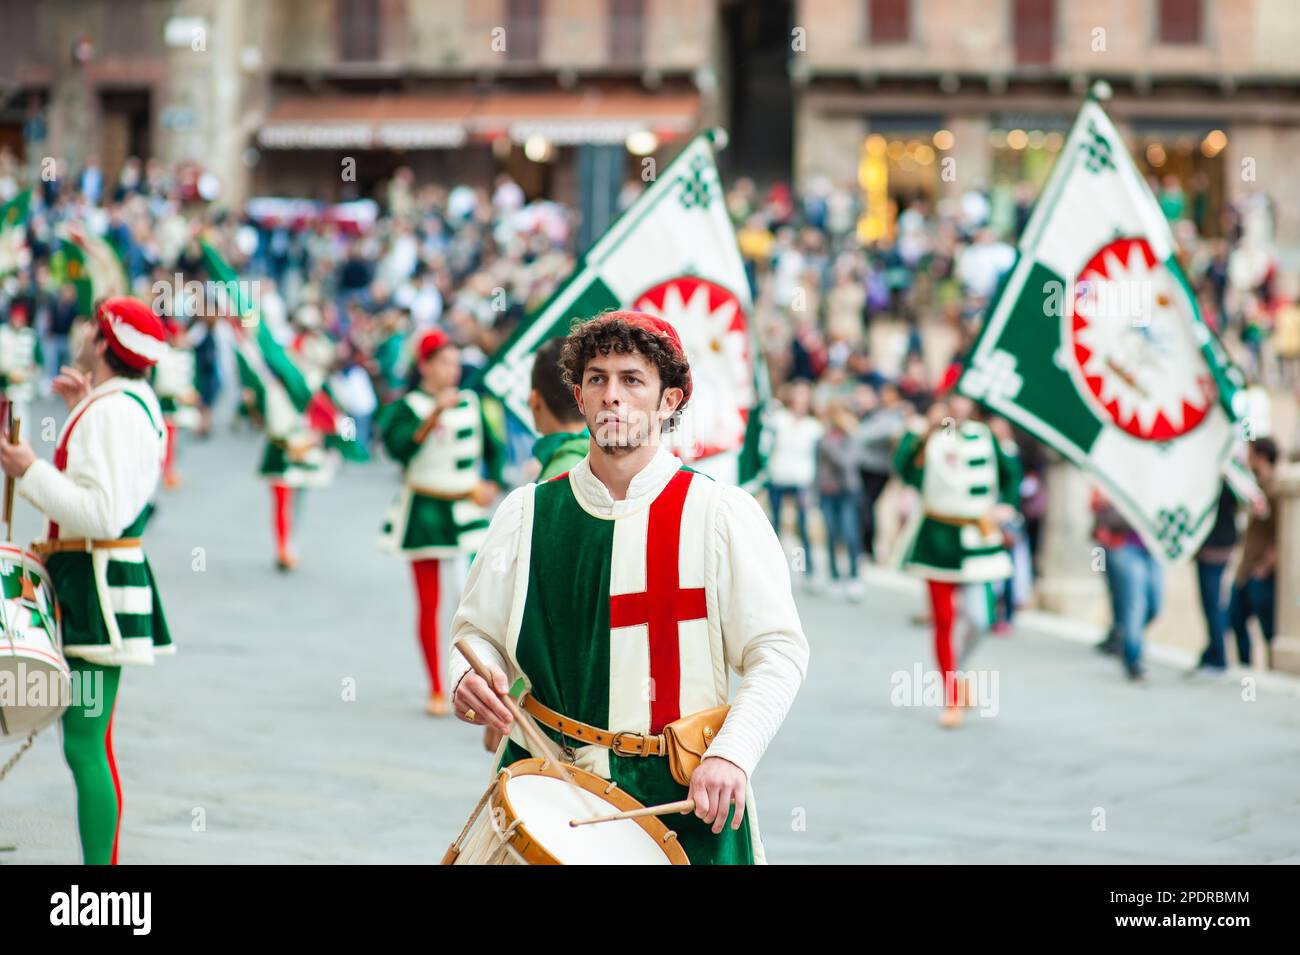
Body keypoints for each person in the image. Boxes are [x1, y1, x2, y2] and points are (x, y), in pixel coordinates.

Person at [449, 311, 809, 864]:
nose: (612, 396)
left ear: (670, 401)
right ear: (579, 394)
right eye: (597, 379)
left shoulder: (720, 513)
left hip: (680, 797)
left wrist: (733, 755)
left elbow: (778, 652)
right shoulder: (525, 513)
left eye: (632, 379)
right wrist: (468, 678)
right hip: (546, 783)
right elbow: (475, 633)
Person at [0, 297, 173, 865]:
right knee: (85, 741)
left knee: (84, 742)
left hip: (96, 595)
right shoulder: (126, 402)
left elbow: (102, 514)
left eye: (92, 328)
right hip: (94, 587)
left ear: (103, 343)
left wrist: (29, 470)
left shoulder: (113, 411)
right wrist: (85, 408)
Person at [377, 328, 504, 716]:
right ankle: (435, 685)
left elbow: (494, 446)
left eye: (455, 362)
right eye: (443, 363)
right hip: (424, 513)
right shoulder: (406, 407)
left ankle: (481, 682)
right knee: (429, 604)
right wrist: (434, 414)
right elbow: (398, 448)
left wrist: (493, 481)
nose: (452, 370)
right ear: (425, 366)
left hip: (466, 511)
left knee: (477, 600)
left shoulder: (475, 401)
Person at [892, 395, 1018, 727]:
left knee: (981, 618)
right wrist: (916, 432)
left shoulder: (985, 435)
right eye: (953, 403)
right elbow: (905, 470)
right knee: (945, 620)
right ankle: (950, 695)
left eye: (964, 403)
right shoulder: (929, 437)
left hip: (978, 538)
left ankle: (958, 674)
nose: (959, 409)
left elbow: (1010, 474)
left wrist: (1007, 504)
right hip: (938, 538)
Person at [1090, 489, 1162, 682]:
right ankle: (1133, 658)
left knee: (1154, 605)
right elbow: (1096, 502)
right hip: (1122, 543)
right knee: (1134, 602)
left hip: (1155, 546)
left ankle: (1125, 636)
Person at [764, 379, 823, 585]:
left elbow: (817, 458)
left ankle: (805, 570)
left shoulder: (813, 427)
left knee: (802, 526)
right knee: (775, 524)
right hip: (778, 476)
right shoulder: (779, 419)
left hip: (801, 480)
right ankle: (772, 570)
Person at [1228, 439, 1279, 669]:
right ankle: (1245, 666)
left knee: (1269, 628)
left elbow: (1284, 536)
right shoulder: (1254, 487)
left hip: (1261, 573)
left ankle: (1271, 668)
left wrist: (1265, 567)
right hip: (1246, 570)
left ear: (1260, 457)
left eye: (1251, 455)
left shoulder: (1277, 489)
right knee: (1235, 619)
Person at [1188, 482, 1240, 679]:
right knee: (1214, 602)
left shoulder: (1215, 478)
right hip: (1221, 545)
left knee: (1212, 604)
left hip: (1213, 547)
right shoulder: (1229, 477)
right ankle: (1213, 652)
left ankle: (1218, 657)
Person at [0, 301, 43, 429]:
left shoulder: (30, 336)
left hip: (22, 387)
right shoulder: (3, 334)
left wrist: (26, 374)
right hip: (3, 385)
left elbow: (38, 362)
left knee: (20, 420)